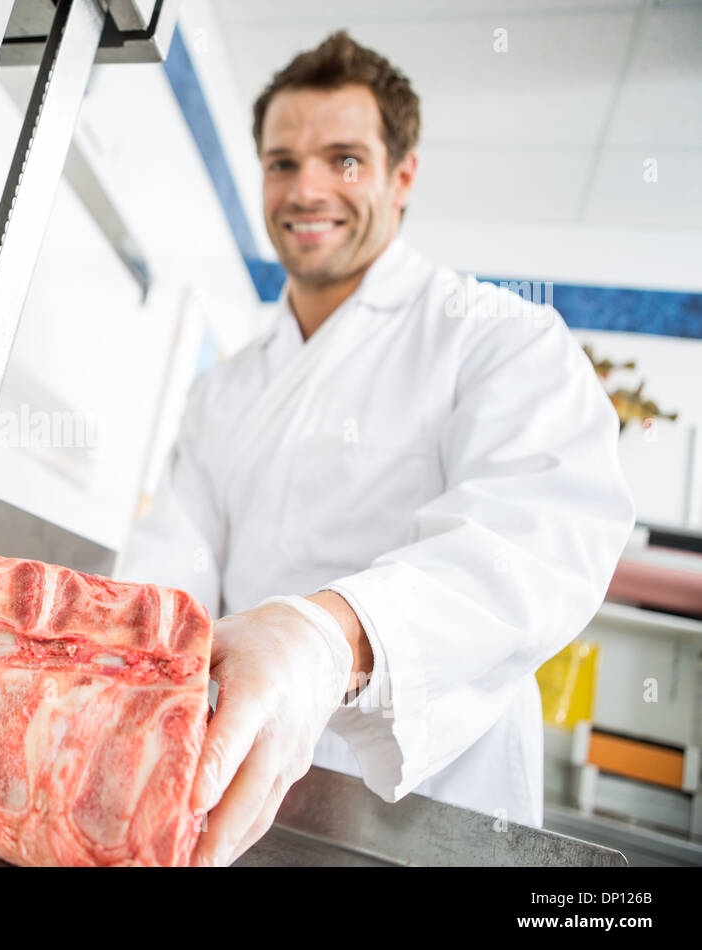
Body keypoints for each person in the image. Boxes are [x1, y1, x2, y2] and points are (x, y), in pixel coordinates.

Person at [117, 31, 636, 867]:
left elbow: (536, 539)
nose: (307, 188)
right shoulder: (227, 388)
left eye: (344, 160)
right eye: (282, 162)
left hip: (425, 822)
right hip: (222, 790)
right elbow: (174, 560)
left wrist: (329, 641)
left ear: (402, 177)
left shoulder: (499, 339)